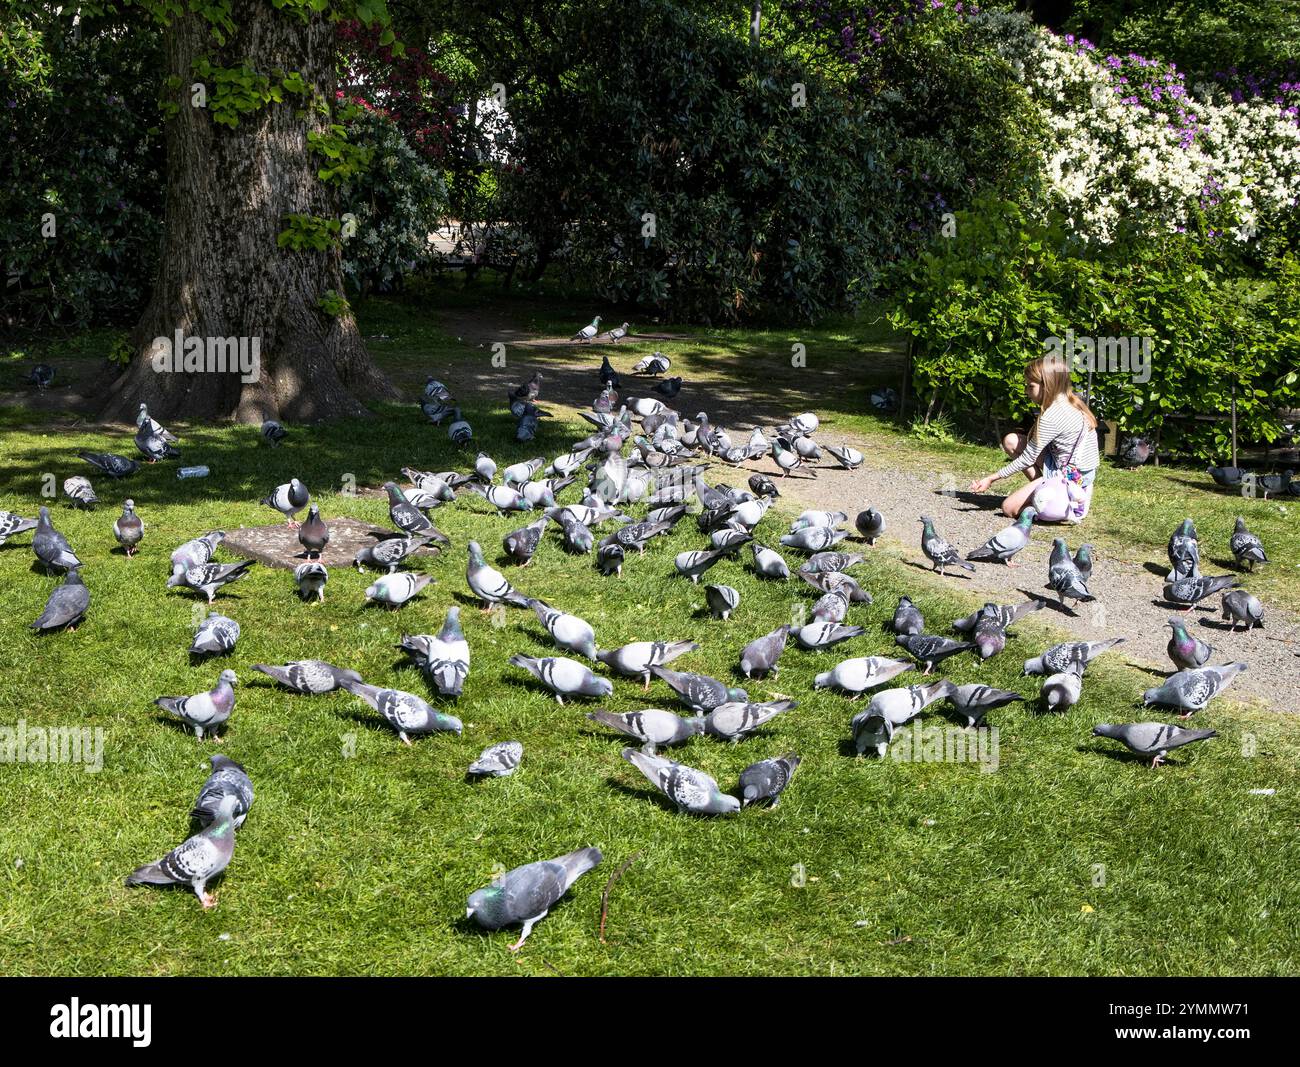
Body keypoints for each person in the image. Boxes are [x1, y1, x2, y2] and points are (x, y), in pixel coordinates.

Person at [969, 355, 1101, 521]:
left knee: (1009, 508)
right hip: (1077, 469)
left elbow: (1027, 459)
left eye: (1030, 386)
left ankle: (1062, 503)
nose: (1026, 391)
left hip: (1071, 476)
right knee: (1012, 441)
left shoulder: (1053, 415)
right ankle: (1047, 490)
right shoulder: (1070, 402)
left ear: (1048, 385)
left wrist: (991, 478)